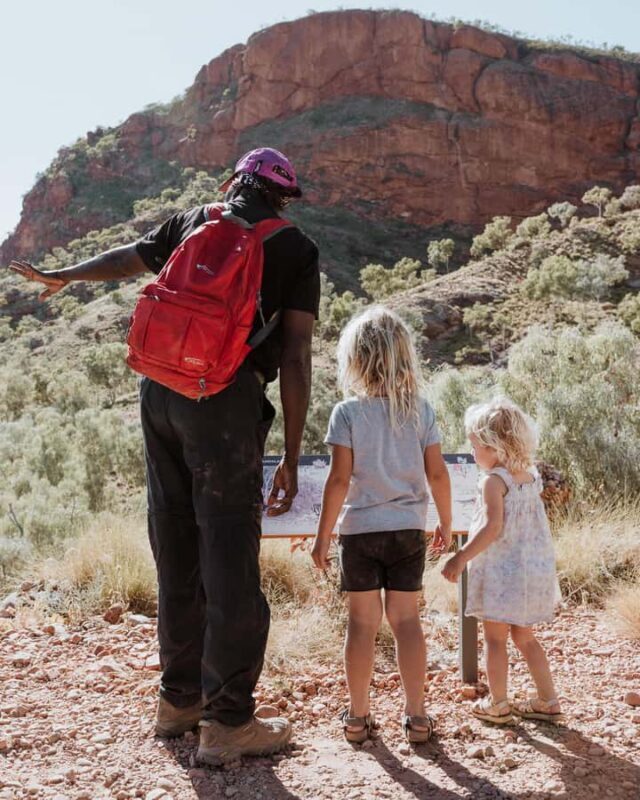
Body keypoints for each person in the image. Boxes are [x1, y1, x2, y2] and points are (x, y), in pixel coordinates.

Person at [9, 147, 321, 763]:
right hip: (224, 404)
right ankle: (228, 722)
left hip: (160, 394)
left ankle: (178, 701)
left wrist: (65, 275)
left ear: (235, 181)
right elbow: (296, 356)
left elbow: (129, 259)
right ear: (282, 197)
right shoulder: (294, 248)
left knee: (174, 545)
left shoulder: (193, 219)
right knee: (229, 557)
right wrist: (290, 451)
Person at [311, 307, 452, 743]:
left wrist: (321, 537)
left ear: (355, 358)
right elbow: (438, 474)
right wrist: (446, 522)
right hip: (408, 529)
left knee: (361, 624)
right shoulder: (421, 411)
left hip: (360, 534)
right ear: (404, 357)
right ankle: (417, 716)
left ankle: (357, 716)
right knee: (407, 622)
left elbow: (338, 480)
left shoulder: (347, 414)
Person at [441, 397, 563, 725]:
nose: (472, 452)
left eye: (475, 445)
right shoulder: (530, 476)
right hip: (530, 571)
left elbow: (492, 527)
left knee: (495, 639)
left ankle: (498, 704)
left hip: (501, 573)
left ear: (494, 446)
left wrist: (461, 557)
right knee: (525, 637)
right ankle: (548, 701)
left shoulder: (493, 482)